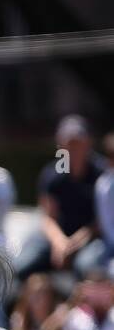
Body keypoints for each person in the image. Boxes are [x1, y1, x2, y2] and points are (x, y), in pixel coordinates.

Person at [15, 115, 109, 280]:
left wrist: (73, 244)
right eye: (68, 143)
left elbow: (103, 221)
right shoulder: (53, 175)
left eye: (77, 142)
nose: (72, 148)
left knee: (87, 265)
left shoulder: (102, 173)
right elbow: (47, 217)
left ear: (88, 143)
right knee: (20, 266)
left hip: (91, 239)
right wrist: (60, 243)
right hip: (58, 239)